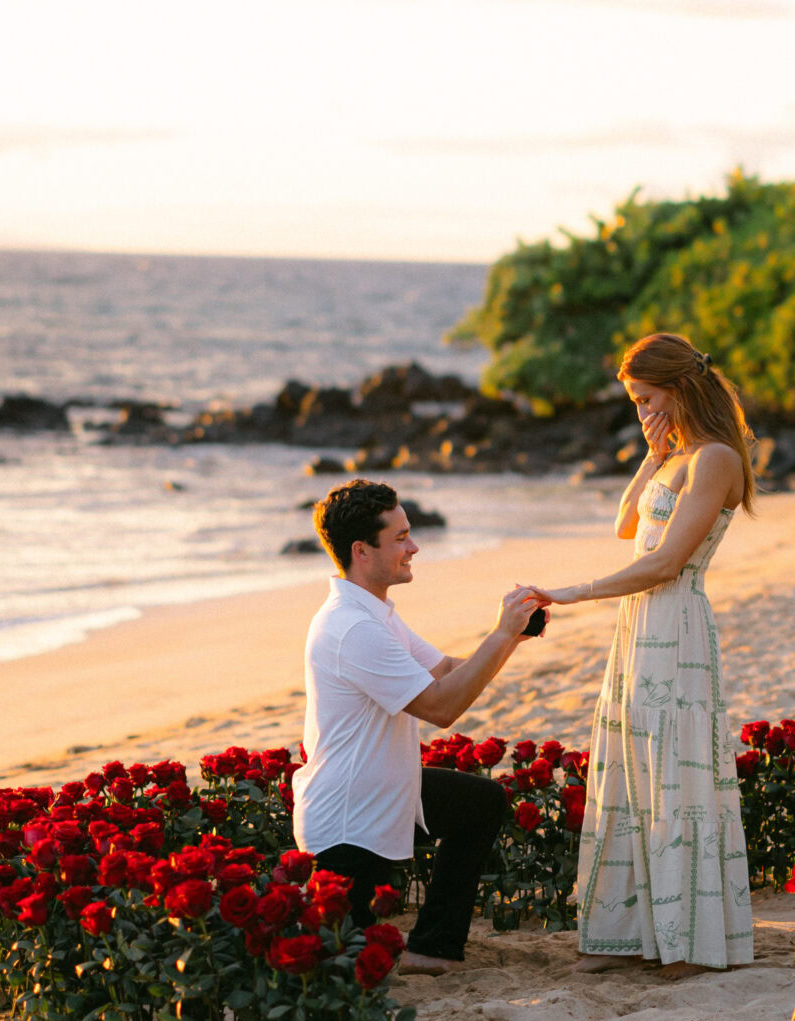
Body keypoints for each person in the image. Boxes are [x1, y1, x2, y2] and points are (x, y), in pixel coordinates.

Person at [536, 331, 756, 970]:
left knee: (675, 771)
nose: (641, 412)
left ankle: (687, 936)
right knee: (633, 764)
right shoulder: (677, 455)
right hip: (640, 624)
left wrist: (577, 592)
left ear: (680, 389)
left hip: (676, 618)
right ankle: (634, 932)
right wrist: (649, 454)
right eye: (634, 401)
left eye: (647, 398)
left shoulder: (716, 458)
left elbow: (664, 562)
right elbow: (626, 526)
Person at [294, 477, 544, 974]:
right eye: (401, 537)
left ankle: (434, 946)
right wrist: (501, 633)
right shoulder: (353, 626)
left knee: (480, 803)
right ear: (362, 551)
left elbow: (445, 670)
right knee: (352, 964)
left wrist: (513, 633)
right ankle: (408, 949)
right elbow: (440, 707)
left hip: (387, 789)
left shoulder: (376, 613)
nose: (414, 546)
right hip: (348, 829)